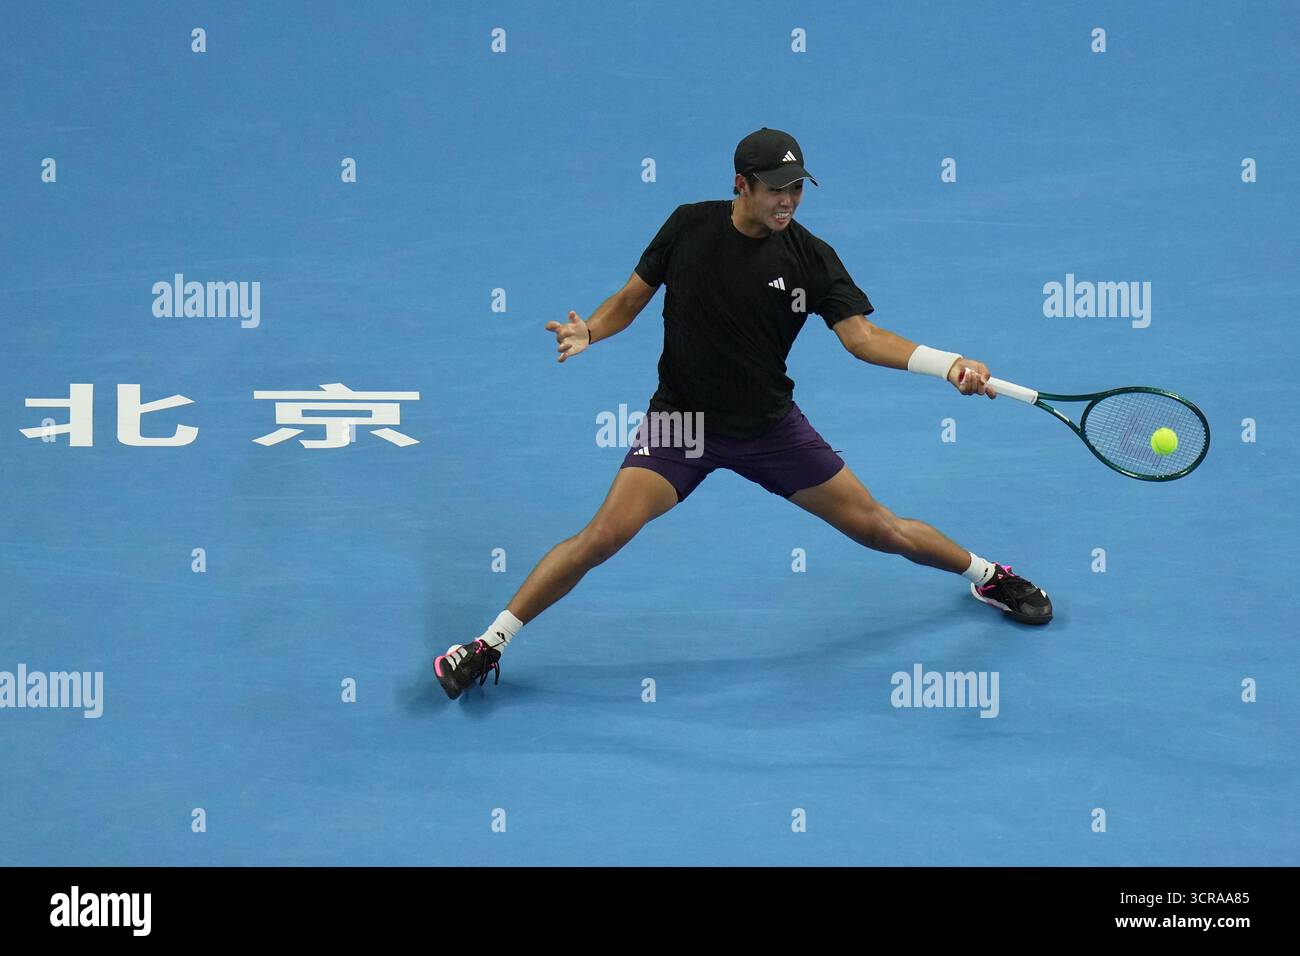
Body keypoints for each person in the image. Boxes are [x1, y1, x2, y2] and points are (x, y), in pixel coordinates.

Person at [434, 127, 1052, 700]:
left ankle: (989, 574)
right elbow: (630, 299)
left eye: (797, 189)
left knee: (879, 530)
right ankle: (489, 645)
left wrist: (947, 364)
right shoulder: (688, 227)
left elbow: (862, 338)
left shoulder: (811, 258)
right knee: (601, 537)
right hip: (683, 426)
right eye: (777, 188)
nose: (789, 200)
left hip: (769, 430)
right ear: (741, 186)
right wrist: (589, 332)